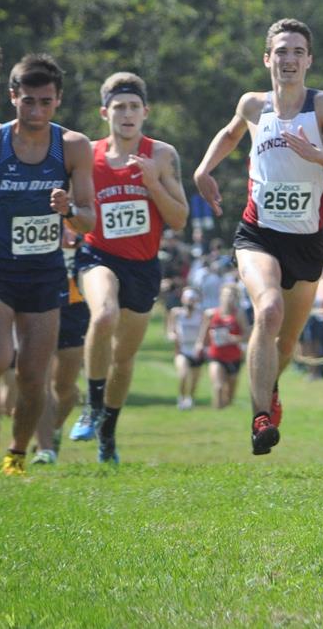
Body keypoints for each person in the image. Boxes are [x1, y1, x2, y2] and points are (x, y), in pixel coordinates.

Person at [193, 19, 323, 455]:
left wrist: (318, 156)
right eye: (282, 51)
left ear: (309, 60)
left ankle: (268, 390)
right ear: (267, 58)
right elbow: (230, 133)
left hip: (306, 241)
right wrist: (203, 169)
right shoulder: (253, 104)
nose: (289, 59)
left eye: (298, 52)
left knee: (287, 341)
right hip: (259, 234)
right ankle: (260, 419)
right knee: (268, 310)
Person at [68, 73, 188, 463]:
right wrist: (68, 217)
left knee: (123, 358)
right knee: (104, 314)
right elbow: (77, 216)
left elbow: (180, 218)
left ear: (145, 112)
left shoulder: (162, 155)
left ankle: (107, 433)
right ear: (105, 113)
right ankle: (91, 407)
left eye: (134, 106)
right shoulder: (86, 154)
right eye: (119, 107)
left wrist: (153, 183)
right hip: (98, 256)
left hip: (143, 265)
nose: (127, 114)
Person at [1, 54, 95, 476]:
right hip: (1, 268)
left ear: (57, 100)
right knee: (1, 356)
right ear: (13, 97)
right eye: (28, 101)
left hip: (44, 273)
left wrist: (68, 209)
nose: (37, 111)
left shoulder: (72, 146)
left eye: (45, 102)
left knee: (33, 377)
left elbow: (89, 219)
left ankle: (17, 454)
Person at [32, 263, 90, 463]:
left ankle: (54, 429)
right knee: (39, 382)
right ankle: (45, 449)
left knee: (64, 387)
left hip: (74, 305)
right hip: (36, 298)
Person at [204, 284, 246, 409]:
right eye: (226, 295)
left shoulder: (238, 314)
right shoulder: (211, 314)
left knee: (230, 396)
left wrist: (233, 338)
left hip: (234, 357)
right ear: (220, 296)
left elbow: (247, 335)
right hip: (216, 355)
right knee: (218, 386)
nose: (228, 298)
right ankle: (216, 411)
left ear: (236, 298)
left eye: (232, 295)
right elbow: (204, 332)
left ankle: (225, 407)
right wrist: (200, 345)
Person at [169, 287, 206, 409]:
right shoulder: (176, 313)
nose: (190, 301)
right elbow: (170, 330)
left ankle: (190, 398)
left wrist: (200, 343)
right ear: (183, 299)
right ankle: (181, 398)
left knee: (195, 380)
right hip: (182, 350)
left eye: (192, 299)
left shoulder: (201, 314)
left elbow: (204, 331)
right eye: (188, 298)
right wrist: (172, 335)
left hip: (196, 351)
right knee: (183, 374)